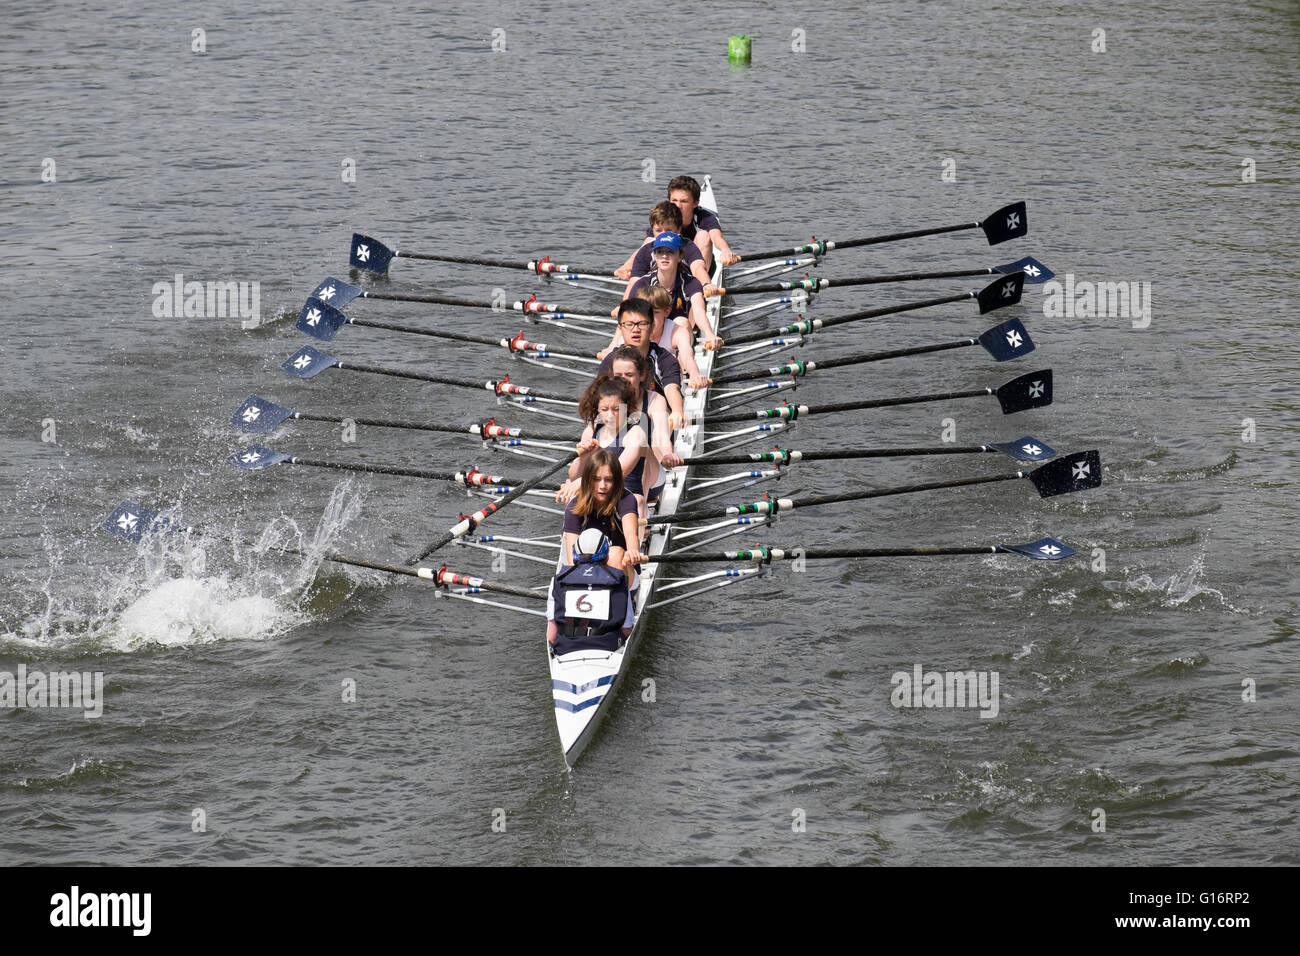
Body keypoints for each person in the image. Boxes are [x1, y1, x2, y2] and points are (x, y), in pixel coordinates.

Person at [555, 374, 652, 523]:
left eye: (616, 409)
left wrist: (582, 482)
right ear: (597, 409)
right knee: (575, 495)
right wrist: (583, 458)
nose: (610, 415)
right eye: (605, 409)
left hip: (626, 497)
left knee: (637, 500)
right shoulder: (592, 430)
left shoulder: (635, 434)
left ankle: (635, 542)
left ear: (627, 407)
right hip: (599, 494)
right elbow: (574, 475)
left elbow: (618, 472)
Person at [596, 298, 688, 431]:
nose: (636, 330)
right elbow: (600, 396)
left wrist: (678, 410)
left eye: (642, 324)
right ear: (620, 328)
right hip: (619, 418)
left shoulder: (665, 359)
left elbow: (671, 388)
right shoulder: (610, 361)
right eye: (629, 324)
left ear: (651, 327)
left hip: (658, 422)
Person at [597, 285, 708, 390]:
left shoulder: (677, 331)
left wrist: (695, 375)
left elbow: (687, 355)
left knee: (682, 323)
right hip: (636, 383)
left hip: (667, 380)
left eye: (655, 312)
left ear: (667, 312)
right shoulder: (630, 332)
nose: (649, 317)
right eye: (644, 313)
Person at [627, 232, 722, 354]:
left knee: (680, 321)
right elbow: (628, 315)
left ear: (680, 256)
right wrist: (613, 346)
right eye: (660, 252)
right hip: (650, 335)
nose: (664, 256)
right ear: (654, 256)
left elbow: (699, 311)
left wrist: (709, 334)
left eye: (670, 252)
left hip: (681, 338)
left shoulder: (691, 283)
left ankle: (681, 370)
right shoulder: (642, 284)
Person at [547, 528, 634, 655]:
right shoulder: (618, 579)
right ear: (606, 556)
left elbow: (551, 636)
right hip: (607, 646)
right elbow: (626, 630)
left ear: (575, 553)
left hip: (565, 648)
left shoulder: (558, 580)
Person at [559, 447, 642, 573]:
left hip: (622, 570)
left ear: (616, 481)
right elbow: (572, 557)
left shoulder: (626, 499)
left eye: (608, 480)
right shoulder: (574, 506)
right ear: (587, 480)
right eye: (596, 479)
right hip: (586, 570)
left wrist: (633, 550)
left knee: (615, 553)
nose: (602, 486)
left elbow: (630, 532)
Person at [614, 201, 721, 296]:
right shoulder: (646, 251)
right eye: (659, 230)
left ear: (679, 229)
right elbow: (634, 282)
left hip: (684, 291)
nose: (663, 235)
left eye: (669, 230)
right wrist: (624, 308)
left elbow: (698, 268)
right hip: (658, 294)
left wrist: (706, 284)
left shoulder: (687, 246)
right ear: (652, 230)